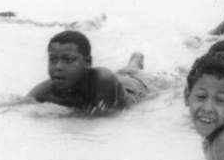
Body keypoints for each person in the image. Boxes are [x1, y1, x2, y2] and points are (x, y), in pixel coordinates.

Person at [26, 31, 167, 113]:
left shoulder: (103, 79)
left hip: (137, 87)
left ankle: (135, 60)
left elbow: (103, 118)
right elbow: (21, 104)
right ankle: (134, 61)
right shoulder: (45, 89)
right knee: (125, 71)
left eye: (68, 60)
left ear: (88, 62)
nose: (58, 67)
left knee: (133, 73)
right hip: (119, 79)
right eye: (53, 60)